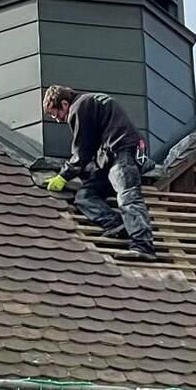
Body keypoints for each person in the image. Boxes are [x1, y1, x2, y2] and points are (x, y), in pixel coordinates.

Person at [41, 85, 157, 261]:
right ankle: (118, 225)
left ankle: (143, 245)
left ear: (64, 104)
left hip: (122, 153)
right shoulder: (91, 101)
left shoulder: (79, 107)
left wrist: (63, 176)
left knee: (128, 197)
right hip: (113, 159)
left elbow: (83, 151)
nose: (57, 120)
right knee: (85, 195)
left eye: (56, 114)